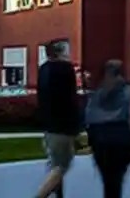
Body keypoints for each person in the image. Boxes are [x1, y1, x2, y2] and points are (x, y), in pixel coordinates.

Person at [84, 60, 130, 198]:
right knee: (116, 181)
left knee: (108, 181)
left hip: (100, 143)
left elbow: (88, 118)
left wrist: (92, 141)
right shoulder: (129, 93)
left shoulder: (98, 94)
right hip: (121, 142)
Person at [35, 39, 79, 198]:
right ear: (60, 51)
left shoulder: (43, 69)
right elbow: (70, 98)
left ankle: (59, 195)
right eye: (66, 49)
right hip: (63, 126)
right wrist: (77, 126)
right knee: (61, 166)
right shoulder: (66, 69)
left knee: (55, 164)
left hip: (49, 124)